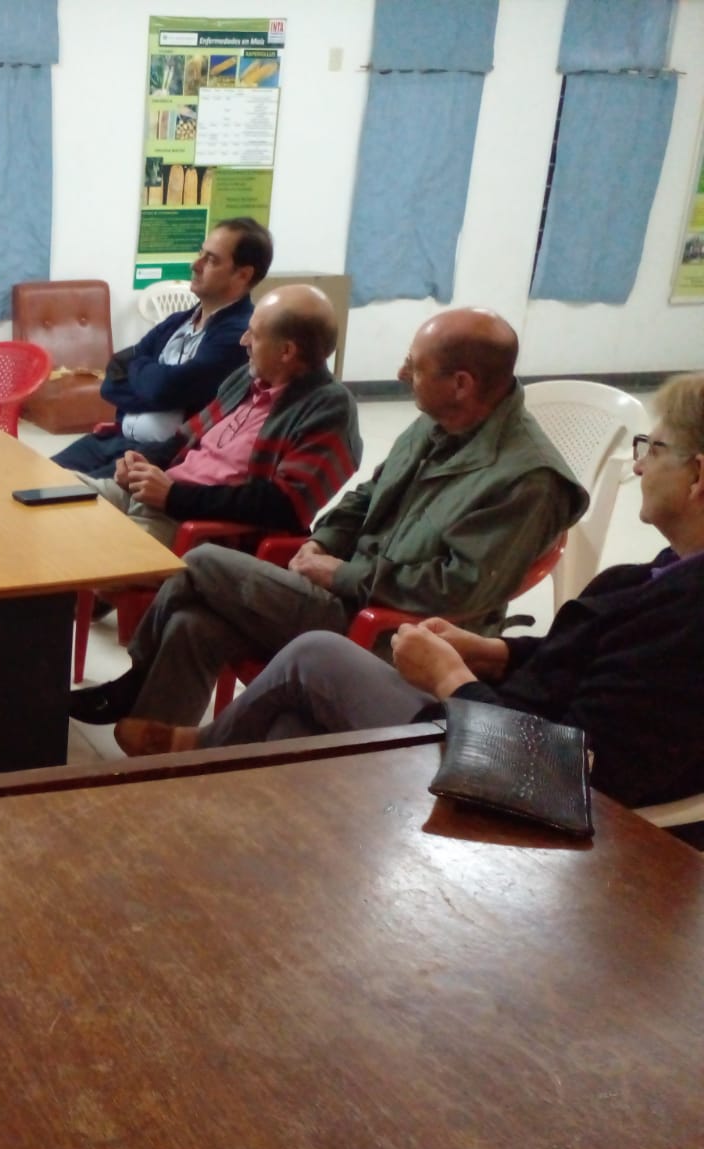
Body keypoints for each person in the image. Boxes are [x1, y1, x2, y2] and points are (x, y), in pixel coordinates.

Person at [131, 373, 704, 846]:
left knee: (309, 651)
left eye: (651, 449)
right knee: (285, 721)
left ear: (697, 474)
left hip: (510, 769)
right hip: (495, 713)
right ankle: (201, 828)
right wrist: (497, 652)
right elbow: (580, 663)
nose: (637, 467)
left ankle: (189, 764)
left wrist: (452, 679)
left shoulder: (681, 614)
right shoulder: (662, 573)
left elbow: (567, 767)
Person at [71, 307, 588, 752]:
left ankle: (134, 684)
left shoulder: (527, 480)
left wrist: (341, 573)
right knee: (193, 623)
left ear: (462, 384)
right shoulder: (438, 422)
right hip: (343, 592)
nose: (401, 372)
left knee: (202, 562)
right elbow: (364, 499)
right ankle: (166, 763)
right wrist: (323, 541)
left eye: (416, 364)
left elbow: (458, 591)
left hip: (392, 629)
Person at [80, 284, 362, 548]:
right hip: (159, 497)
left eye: (254, 334)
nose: (243, 340)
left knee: (92, 552)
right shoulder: (247, 378)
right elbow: (184, 438)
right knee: (58, 498)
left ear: (286, 351)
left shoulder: (328, 407)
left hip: (199, 526)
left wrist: (173, 496)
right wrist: (143, 462)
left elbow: (285, 505)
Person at [52, 218, 270, 479]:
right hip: (117, 439)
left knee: (69, 495)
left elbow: (165, 387)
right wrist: (157, 386)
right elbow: (112, 378)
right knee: (36, 475)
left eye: (211, 260)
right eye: (200, 253)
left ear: (243, 274)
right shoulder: (177, 322)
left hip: (162, 458)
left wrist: (145, 374)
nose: (195, 265)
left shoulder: (239, 335)